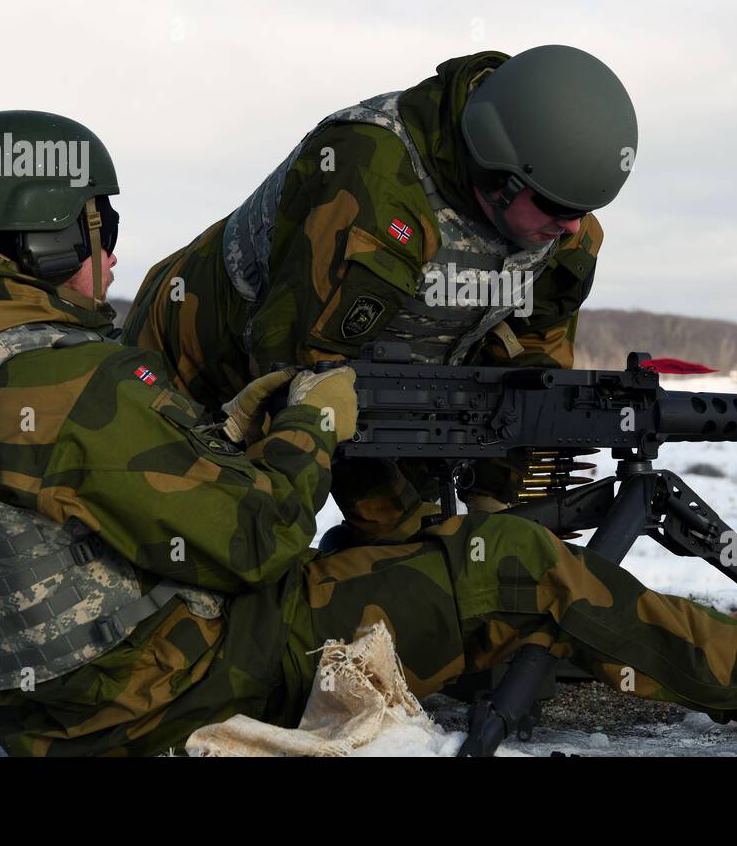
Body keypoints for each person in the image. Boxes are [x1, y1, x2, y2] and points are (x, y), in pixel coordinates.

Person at [0, 109, 737, 758]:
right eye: (102, 229)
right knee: (511, 561)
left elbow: (115, 522)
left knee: (408, 564)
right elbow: (252, 542)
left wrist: (233, 443)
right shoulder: (67, 379)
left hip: (54, 715)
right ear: (59, 237)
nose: (111, 257)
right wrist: (314, 423)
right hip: (166, 696)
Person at [123, 45, 632, 541]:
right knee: (214, 547)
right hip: (194, 374)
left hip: (393, 387)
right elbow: (304, 372)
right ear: (500, 176)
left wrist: (496, 494)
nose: (572, 226)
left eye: (583, 209)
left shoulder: (566, 229)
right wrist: (401, 528)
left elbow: (533, 366)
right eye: (556, 208)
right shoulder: (372, 182)